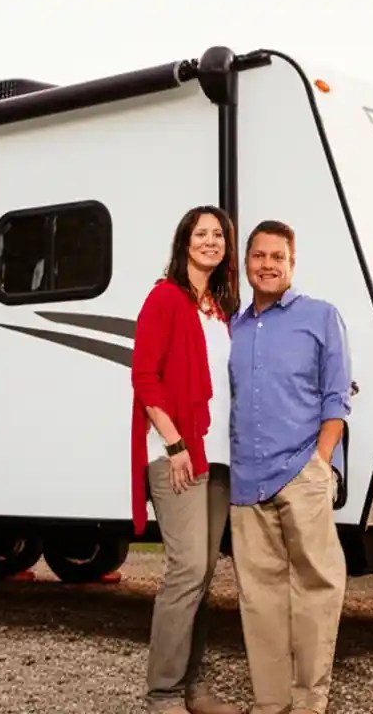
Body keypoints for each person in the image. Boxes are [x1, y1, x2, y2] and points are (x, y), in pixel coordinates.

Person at [227, 220, 352, 714]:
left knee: (316, 590)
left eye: (278, 257)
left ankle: (308, 703)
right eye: (259, 256)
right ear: (247, 263)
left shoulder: (321, 317)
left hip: (303, 471)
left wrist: (320, 463)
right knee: (259, 599)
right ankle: (270, 703)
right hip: (246, 481)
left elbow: (337, 397)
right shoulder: (232, 328)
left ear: (292, 263)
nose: (268, 265)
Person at [131, 205, 242, 714]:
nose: (211, 242)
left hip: (217, 457)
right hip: (178, 453)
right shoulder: (164, 299)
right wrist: (175, 444)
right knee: (187, 568)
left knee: (202, 574)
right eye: (201, 233)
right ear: (185, 242)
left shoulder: (218, 310)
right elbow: (145, 378)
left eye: (218, 235)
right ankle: (163, 694)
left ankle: (194, 688)